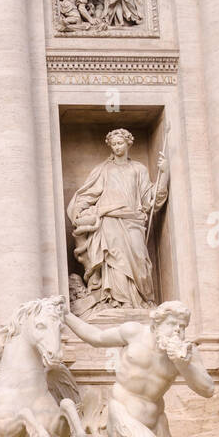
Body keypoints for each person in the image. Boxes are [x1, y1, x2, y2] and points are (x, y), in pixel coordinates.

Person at [64, 301, 215, 437]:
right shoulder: (134, 333)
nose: (177, 330)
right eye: (172, 323)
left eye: (182, 327)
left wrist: (183, 364)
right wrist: (66, 314)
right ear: (156, 325)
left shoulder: (187, 353)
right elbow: (96, 337)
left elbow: (208, 390)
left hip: (157, 423)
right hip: (123, 416)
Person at [68, 128, 168, 314]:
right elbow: (86, 195)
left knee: (139, 259)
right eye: (113, 144)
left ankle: (140, 300)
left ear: (128, 143)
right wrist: (81, 211)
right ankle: (118, 301)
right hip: (109, 221)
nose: (116, 147)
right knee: (114, 262)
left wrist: (164, 174)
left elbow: (151, 200)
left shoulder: (139, 169)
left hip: (133, 220)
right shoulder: (102, 170)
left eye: (120, 143)